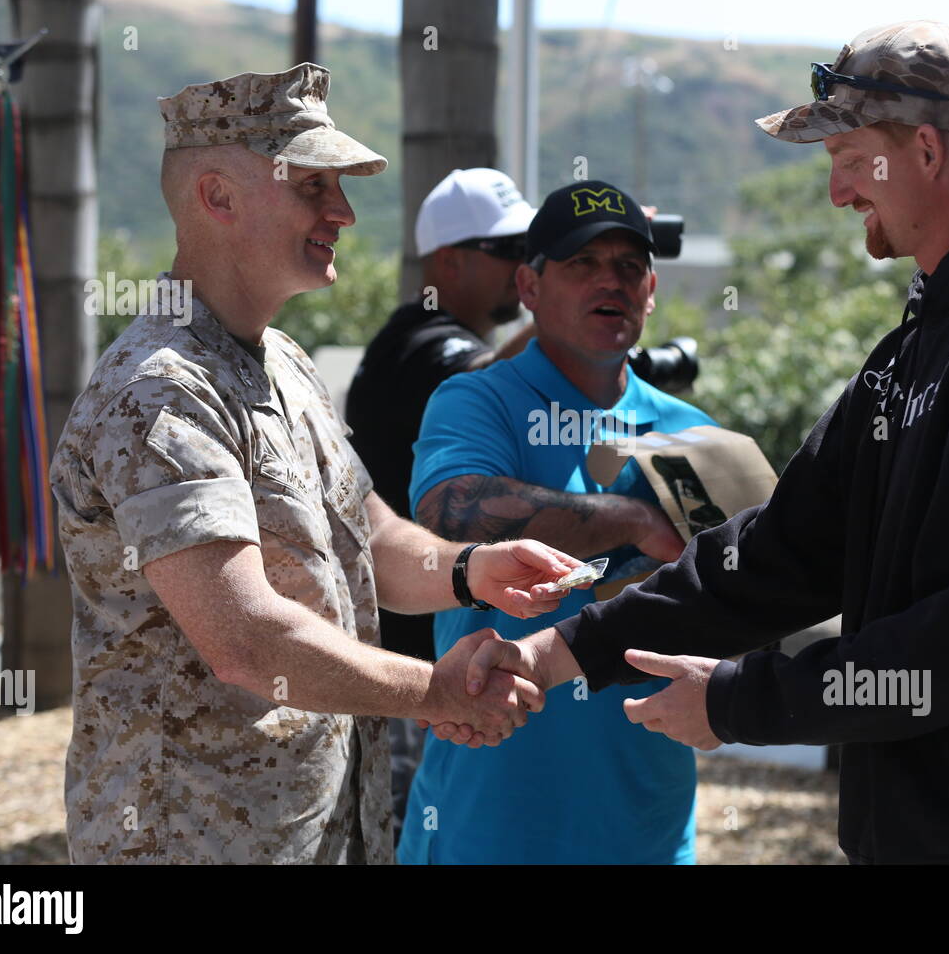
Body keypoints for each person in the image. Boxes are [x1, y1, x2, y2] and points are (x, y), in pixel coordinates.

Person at [452, 21, 949, 864]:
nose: (837, 192)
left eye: (848, 158)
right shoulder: (927, 343)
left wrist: (738, 700)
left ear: (926, 151)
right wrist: (562, 649)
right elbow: (783, 552)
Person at [48, 64, 580, 864]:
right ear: (217, 197)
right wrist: (432, 691)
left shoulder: (283, 362)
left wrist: (472, 567)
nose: (345, 213)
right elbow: (246, 639)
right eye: (313, 187)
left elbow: (369, 539)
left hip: (311, 829)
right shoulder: (161, 392)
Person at [397, 180, 715, 864]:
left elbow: (741, 603)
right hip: (483, 828)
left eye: (629, 266)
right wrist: (631, 521)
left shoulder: (694, 433)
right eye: (582, 264)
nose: (612, 281)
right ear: (529, 287)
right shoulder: (475, 400)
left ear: (652, 289)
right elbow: (450, 505)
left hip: (647, 833)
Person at [345, 168, 536, 835]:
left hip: (429, 660)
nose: (525, 269)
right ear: (447, 261)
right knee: (415, 837)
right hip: (412, 668)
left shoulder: (421, 340)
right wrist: (575, 306)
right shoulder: (418, 345)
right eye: (510, 252)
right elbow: (481, 382)